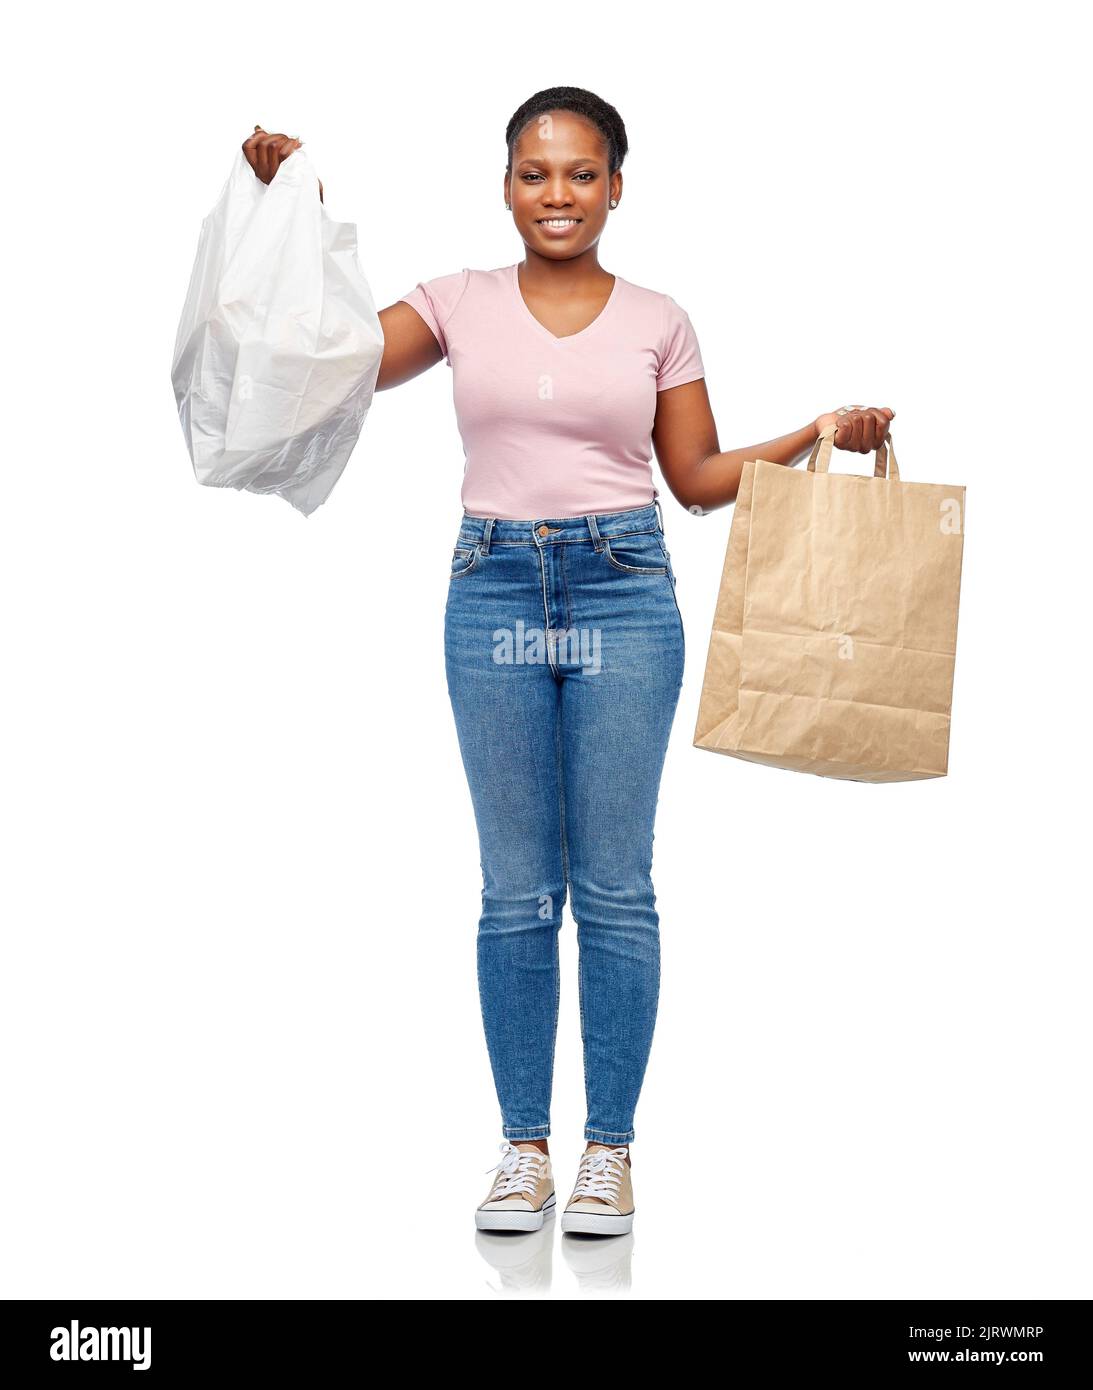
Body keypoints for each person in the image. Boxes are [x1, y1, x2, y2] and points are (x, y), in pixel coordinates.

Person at [242, 87, 893, 1237]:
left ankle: (610, 1154)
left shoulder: (658, 317)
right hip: (491, 585)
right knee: (513, 891)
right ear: (504, 185)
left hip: (623, 590)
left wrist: (815, 431)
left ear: (616, 186)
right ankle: (521, 1149)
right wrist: (295, 206)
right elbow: (332, 356)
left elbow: (691, 480)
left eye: (581, 174)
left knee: (614, 888)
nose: (557, 195)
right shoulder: (454, 302)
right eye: (535, 173)